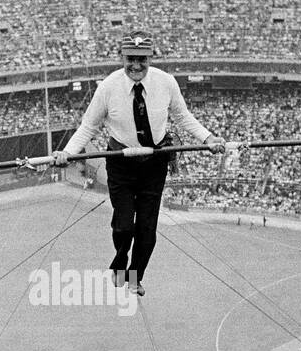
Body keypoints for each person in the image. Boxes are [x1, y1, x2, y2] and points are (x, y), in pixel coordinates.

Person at [51, 30, 225, 296]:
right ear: (122, 56)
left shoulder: (166, 83)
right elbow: (89, 126)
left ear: (150, 58)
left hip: (154, 163)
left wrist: (208, 137)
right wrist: (67, 152)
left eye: (142, 59)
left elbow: (183, 117)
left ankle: (135, 276)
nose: (136, 65)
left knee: (146, 229)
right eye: (130, 58)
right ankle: (119, 266)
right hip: (121, 163)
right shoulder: (108, 86)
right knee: (123, 225)